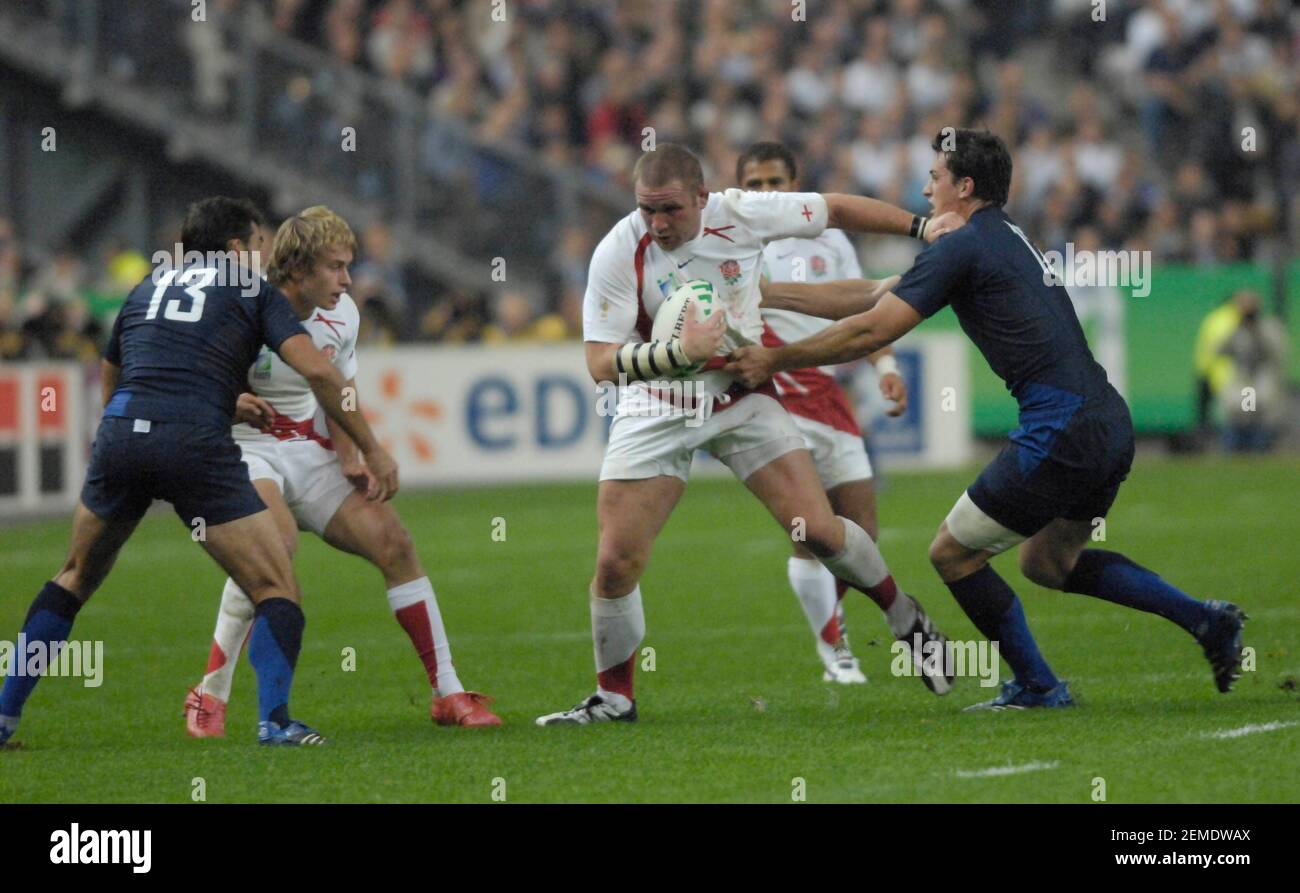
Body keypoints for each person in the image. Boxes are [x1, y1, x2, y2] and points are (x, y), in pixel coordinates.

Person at [727, 129, 1247, 709]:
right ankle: (1205, 620)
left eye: (935, 177)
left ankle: (1038, 686)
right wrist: (771, 294)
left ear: (964, 186)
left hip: (1061, 426)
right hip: (1106, 421)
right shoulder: (1001, 237)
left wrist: (776, 356)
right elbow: (873, 295)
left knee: (951, 553)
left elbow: (872, 329)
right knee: (1050, 561)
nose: (925, 187)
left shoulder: (960, 247)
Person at [536, 143, 960, 726]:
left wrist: (920, 226)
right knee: (614, 562)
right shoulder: (617, 249)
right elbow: (600, 362)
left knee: (819, 532)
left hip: (741, 395)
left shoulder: (743, 213)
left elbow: (834, 208)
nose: (657, 224)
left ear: (703, 200)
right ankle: (614, 698)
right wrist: (675, 353)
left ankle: (906, 620)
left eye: (671, 210)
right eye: (646, 210)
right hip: (657, 404)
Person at [0, 197, 398, 747]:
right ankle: (276, 722)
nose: (265, 257)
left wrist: (133, 424)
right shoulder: (253, 290)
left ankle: (3, 718)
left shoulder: (146, 287)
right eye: (258, 245)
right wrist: (370, 448)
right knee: (275, 581)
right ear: (236, 249)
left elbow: (116, 365)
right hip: (191, 442)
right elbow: (319, 372)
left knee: (73, 576)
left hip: (121, 435)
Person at [183, 206, 500, 738]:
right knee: (274, 549)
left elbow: (338, 387)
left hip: (307, 451)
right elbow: (194, 375)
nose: (347, 279)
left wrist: (351, 454)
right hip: (244, 450)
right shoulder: (239, 305)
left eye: (348, 265)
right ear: (298, 268)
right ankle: (213, 689)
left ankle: (448, 692)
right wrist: (230, 398)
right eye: (335, 267)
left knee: (394, 543)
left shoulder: (344, 313)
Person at [738, 141, 948, 692]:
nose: (766, 194)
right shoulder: (734, 242)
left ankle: (857, 623)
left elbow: (865, 312)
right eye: (754, 185)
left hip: (830, 391)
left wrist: (884, 366)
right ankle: (835, 646)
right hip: (776, 388)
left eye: (775, 183)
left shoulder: (828, 237)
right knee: (809, 530)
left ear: (796, 183)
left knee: (862, 534)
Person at [1217, 289, 1287, 452]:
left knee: (1261, 423)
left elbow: (1277, 353)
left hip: (1261, 383)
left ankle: (1260, 453)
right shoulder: (1236, 330)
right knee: (1237, 420)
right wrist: (1237, 328)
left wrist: (1256, 330)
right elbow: (1220, 350)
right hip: (1242, 383)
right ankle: (1234, 455)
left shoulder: (1269, 327)